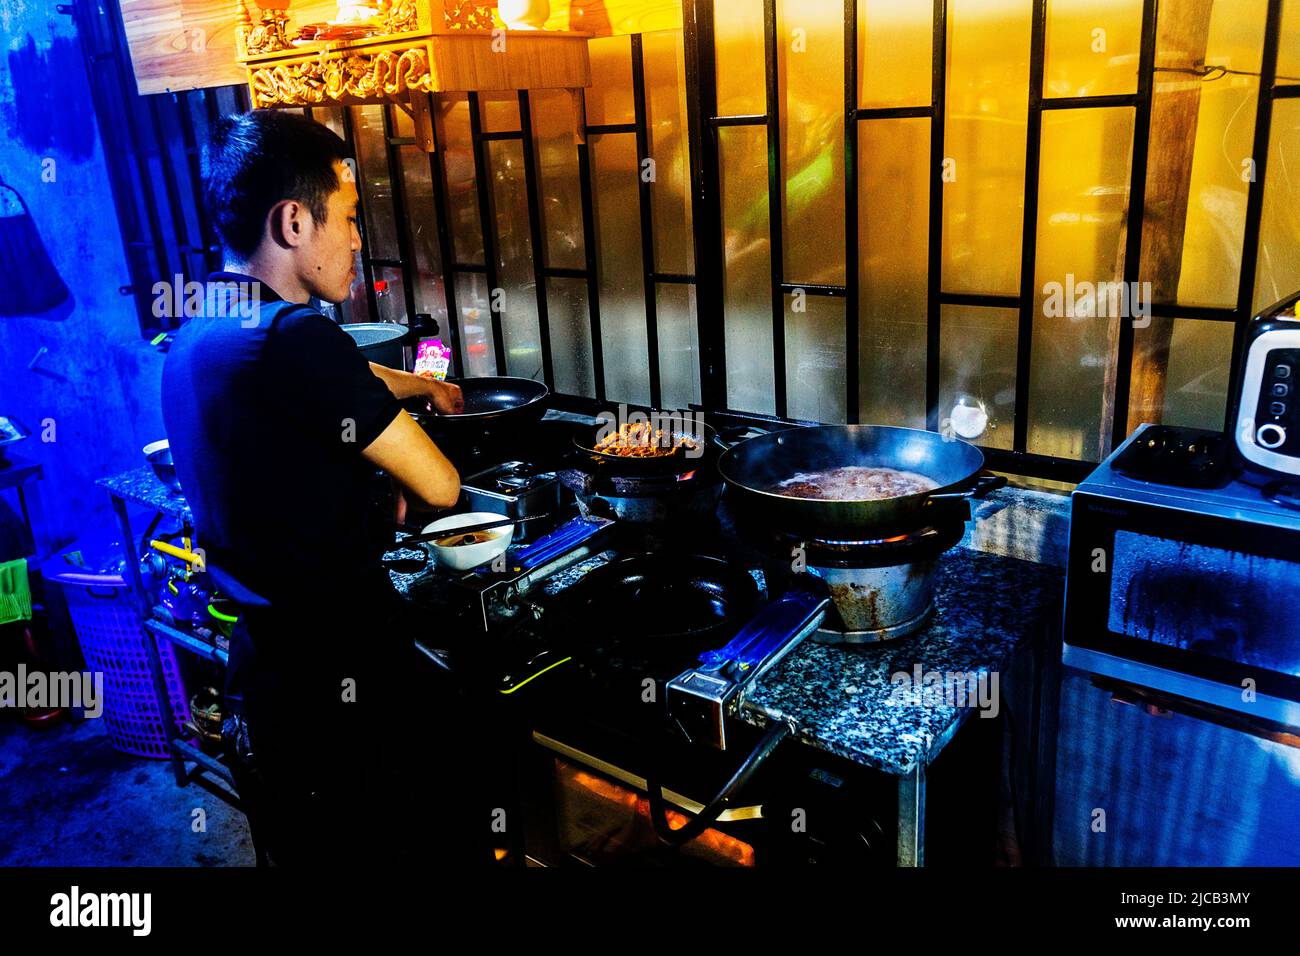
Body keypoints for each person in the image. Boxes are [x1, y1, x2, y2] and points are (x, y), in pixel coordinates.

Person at [161, 109, 484, 866]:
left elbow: (314, 375)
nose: (358, 239)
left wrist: (413, 386)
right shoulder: (299, 337)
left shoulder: (208, 316)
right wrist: (393, 467)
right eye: (347, 217)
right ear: (295, 220)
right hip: (344, 683)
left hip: (265, 685)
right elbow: (440, 487)